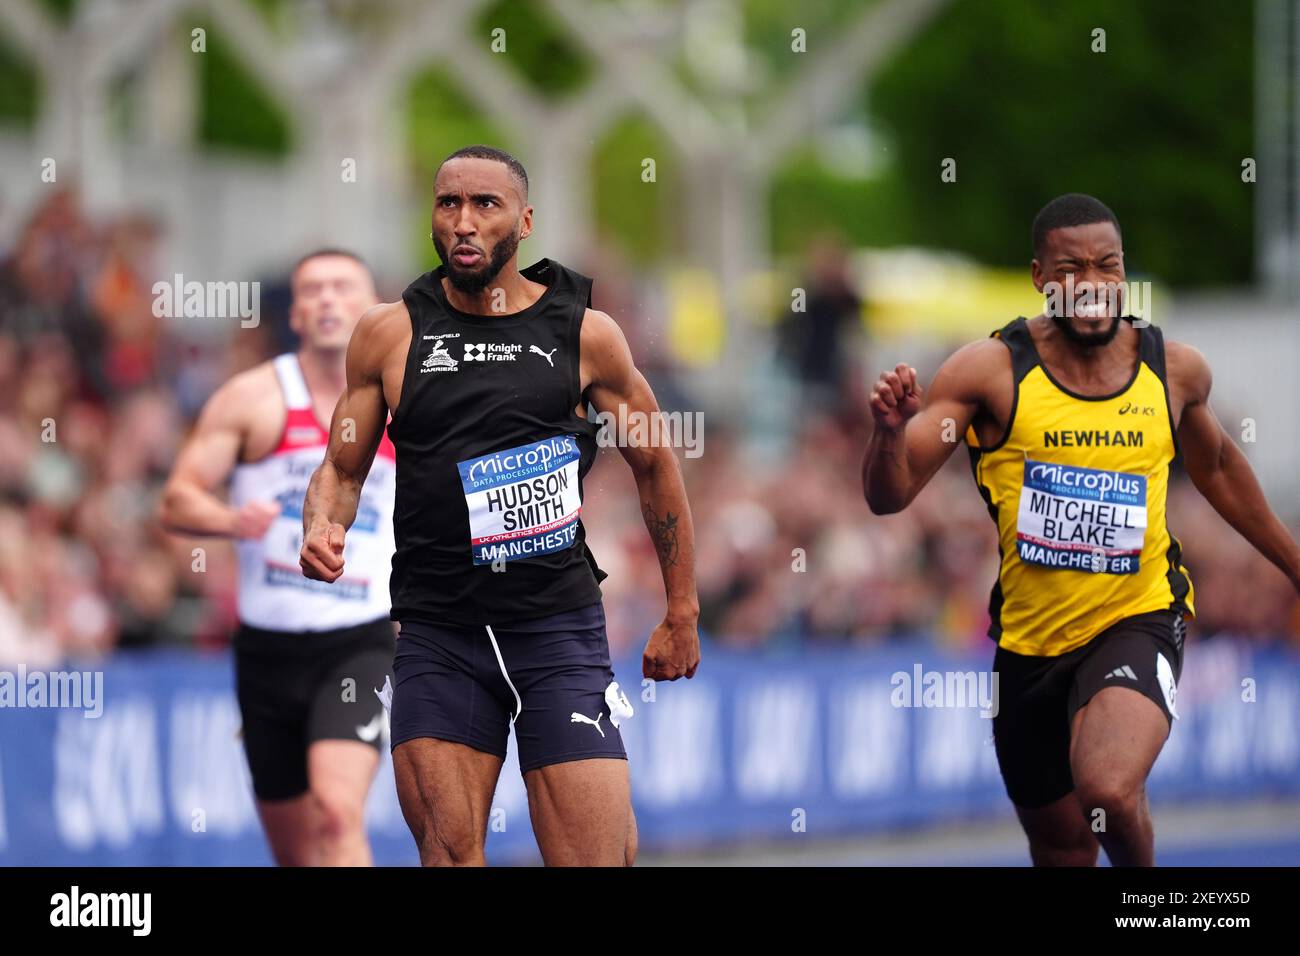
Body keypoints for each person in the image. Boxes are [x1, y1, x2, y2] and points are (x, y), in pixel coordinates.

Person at [862, 193, 1300, 866]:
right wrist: (888, 437)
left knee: (1109, 792)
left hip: (1139, 614)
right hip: (1029, 648)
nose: (1091, 287)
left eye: (1108, 267)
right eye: (1070, 271)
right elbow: (890, 495)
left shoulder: (1172, 370)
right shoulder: (989, 372)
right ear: (1040, 277)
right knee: (1062, 845)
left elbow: (1216, 467)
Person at [299, 145, 700, 866]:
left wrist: (682, 609)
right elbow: (340, 465)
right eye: (448, 203)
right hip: (438, 633)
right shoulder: (389, 333)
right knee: (450, 855)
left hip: (557, 633)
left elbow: (656, 466)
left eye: (486, 204)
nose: (464, 221)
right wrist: (322, 523)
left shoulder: (586, 334)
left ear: (525, 221)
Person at [159, 249, 396, 865]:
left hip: (359, 641)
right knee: (293, 849)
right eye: (311, 289)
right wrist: (231, 520)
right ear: (293, 312)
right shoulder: (252, 398)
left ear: (373, 307)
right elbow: (177, 498)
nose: (326, 300)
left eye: (342, 287)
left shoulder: (407, 400)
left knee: (337, 813)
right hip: (267, 650)